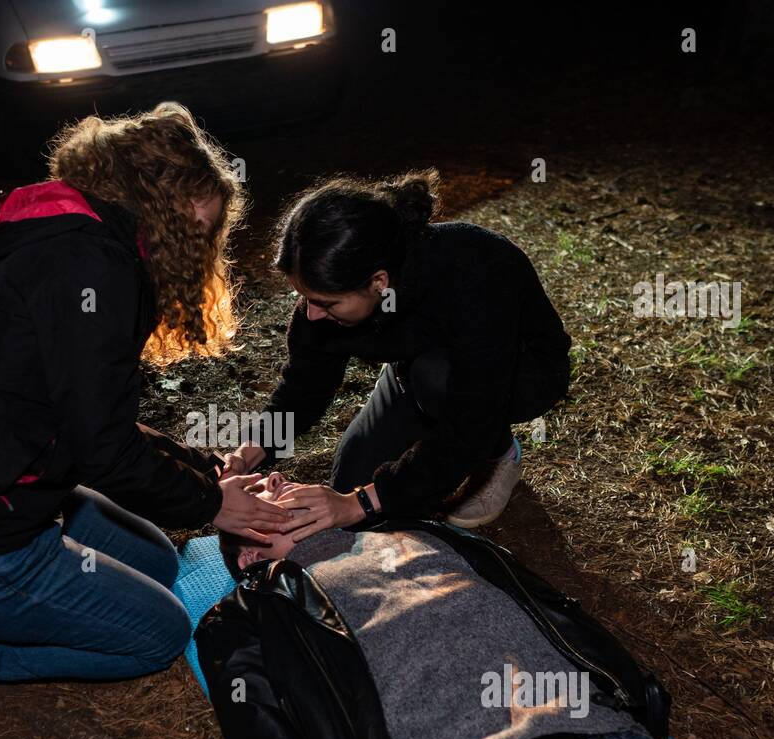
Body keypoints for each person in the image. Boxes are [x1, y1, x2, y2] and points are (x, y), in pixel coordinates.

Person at [0, 103, 293, 739]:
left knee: (159, 563)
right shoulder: (98, 268)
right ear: (167, 211)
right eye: (202, 231)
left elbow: (91, 419)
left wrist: (202, 470)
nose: (204, 248)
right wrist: (213, 504)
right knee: (159, 634)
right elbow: (102, 448)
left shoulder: (70, 237)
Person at [200, 473, 774, 739]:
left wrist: (641, 713)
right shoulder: (250, 614)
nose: (277, 478)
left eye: (275, 475)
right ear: (249, 550)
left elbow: (564, 619)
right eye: (258, 491)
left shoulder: (426, 532)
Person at [221, 169, 571, 539]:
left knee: (433, 388)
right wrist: (251, 450)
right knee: (353, 490)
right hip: (418, 365)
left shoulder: (475, 273)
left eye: (325, 303)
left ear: (379, 282)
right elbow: (304, 386)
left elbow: (472, 415)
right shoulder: (330, 294)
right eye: (305, 298)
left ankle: (500, 454)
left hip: (517, 371)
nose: (311, 314)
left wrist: (362, 502)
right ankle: (416, 397)